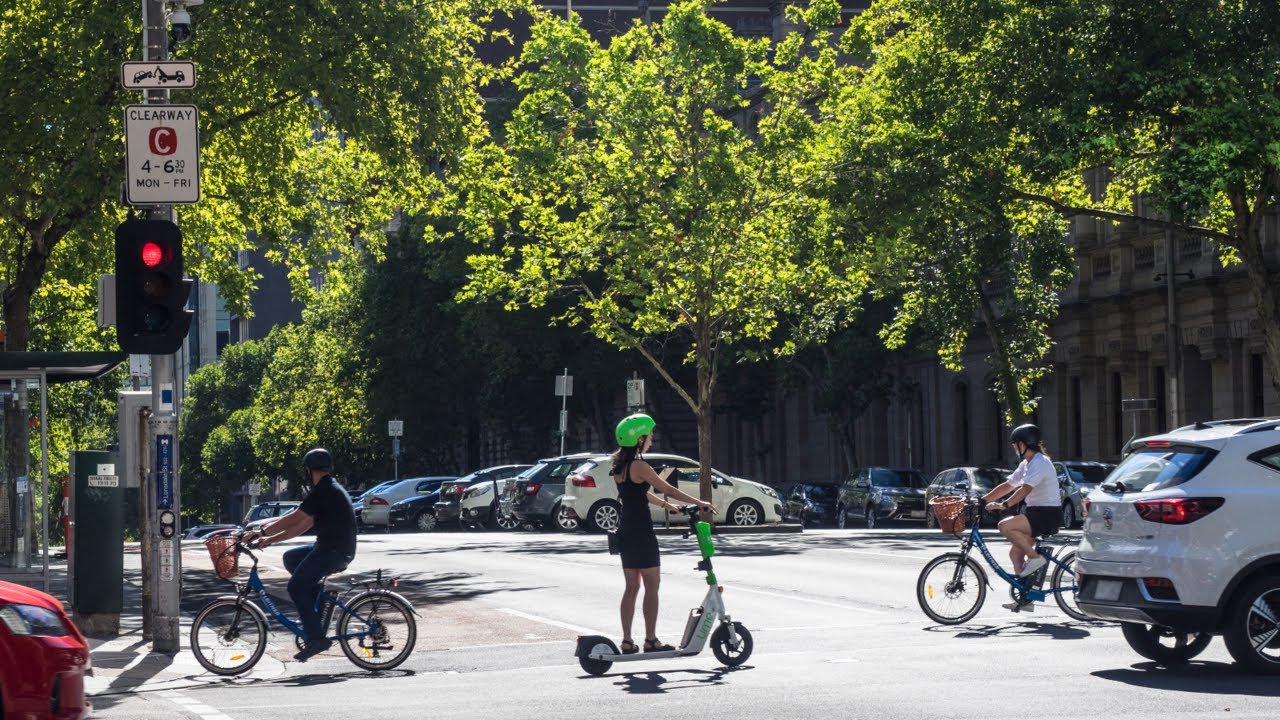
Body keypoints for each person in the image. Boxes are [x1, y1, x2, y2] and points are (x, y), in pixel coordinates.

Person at [611, 413, 715, 654]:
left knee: (631, 588)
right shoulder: (640, 465)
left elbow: (639, 494)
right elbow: (666, 487)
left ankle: (627, 641)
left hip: (626, 528)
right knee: (651, 585)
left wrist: (669, 507)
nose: (652, 438)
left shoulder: (620, 466)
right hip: (641, 531)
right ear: (639, 439)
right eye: (649, 434)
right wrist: (699, 502)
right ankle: (650, 640)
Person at [248, 447, 357, 660]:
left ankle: (316, 639)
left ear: (309, 470)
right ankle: (315, 607)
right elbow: (303, 524)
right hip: (329, 548)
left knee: (295, 587)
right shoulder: (327, 489)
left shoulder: (325, 490)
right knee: (291, 558)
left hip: (334, 551)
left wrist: (260, 531)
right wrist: (269, 540)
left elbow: (294, 518)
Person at [980, 424, 1060, 612]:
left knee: (1004, 526)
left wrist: (1004, 505)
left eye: (1016, 445)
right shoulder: (1026, 464)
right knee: (1015, 554)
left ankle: (1034, 558)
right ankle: (1026, 598)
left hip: (1047, 513)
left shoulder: (1040, 462)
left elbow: (1025, 489)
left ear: (1025, 444)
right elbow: (1009, 485)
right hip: (1036, 512)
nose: (1015, 448)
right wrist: (981, 500)